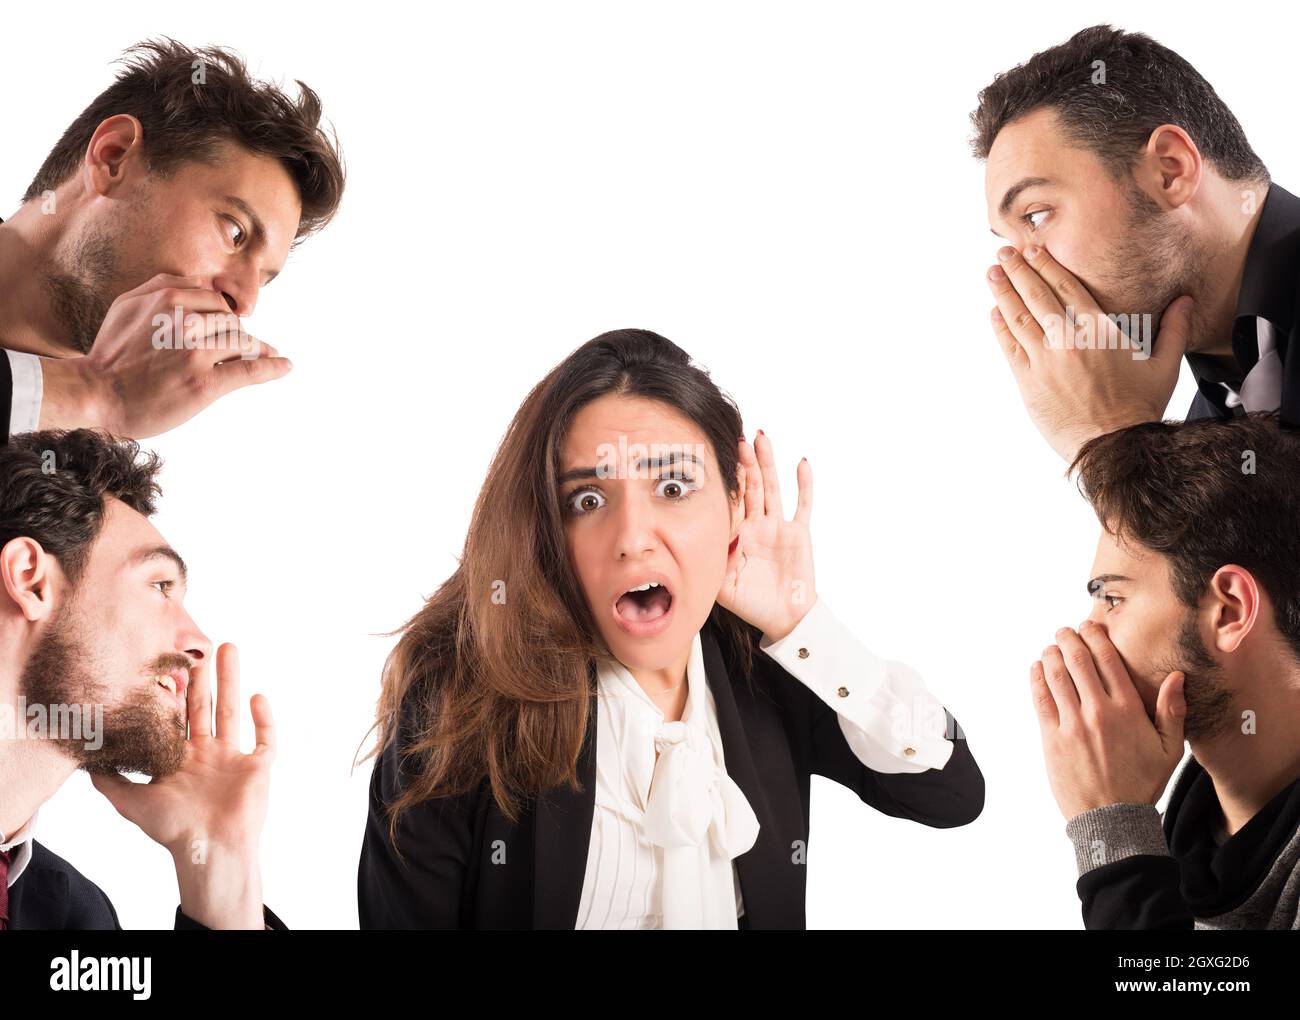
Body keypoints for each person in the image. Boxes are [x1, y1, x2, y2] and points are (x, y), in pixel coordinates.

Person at [357, 329, 983, 929]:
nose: (632, 539)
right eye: (588, 501)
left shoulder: (772, 670)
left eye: (674, 486)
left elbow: (951, 791)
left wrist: (801, 623)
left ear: (738, 503)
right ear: (549, 532)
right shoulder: (457, 710)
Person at [971, 24, 1299, 461]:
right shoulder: (1211, 425)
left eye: (1036, 215)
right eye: (1007, 240)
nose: (1023, 272)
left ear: (1170, 170)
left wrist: (1111, 442)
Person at [0, 429, 283, 929]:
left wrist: (221, 866)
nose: (198, 642)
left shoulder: (73, 919)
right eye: (160, 585)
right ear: (31, 579)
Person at [0, 37, 345, 445]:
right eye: (235, 233)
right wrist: (95, 392)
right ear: (114, 157)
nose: (245, 302)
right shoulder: (94, 401)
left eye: (265, 280)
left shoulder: (68, 483)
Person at [1031, 412, 1300, 929]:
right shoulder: (1185, 837)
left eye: (1113, 597)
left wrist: (1113, 831)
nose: (1083, 635)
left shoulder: (1140, 833)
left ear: (1229, 611)